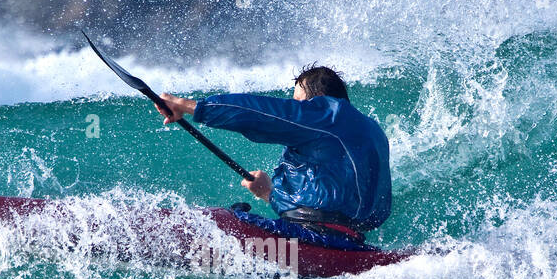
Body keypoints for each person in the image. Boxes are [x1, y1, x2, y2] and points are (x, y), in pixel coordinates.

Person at [157, 65, 391, 238]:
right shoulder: (371, 130)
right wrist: (269, 193)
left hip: (310, 238)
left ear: (318, 100)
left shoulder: (328, 113)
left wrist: (188, 106)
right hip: (347, 242)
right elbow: (337, 204)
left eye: (299, 102)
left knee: (223, 220)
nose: (297, 107)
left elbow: (260, 114)